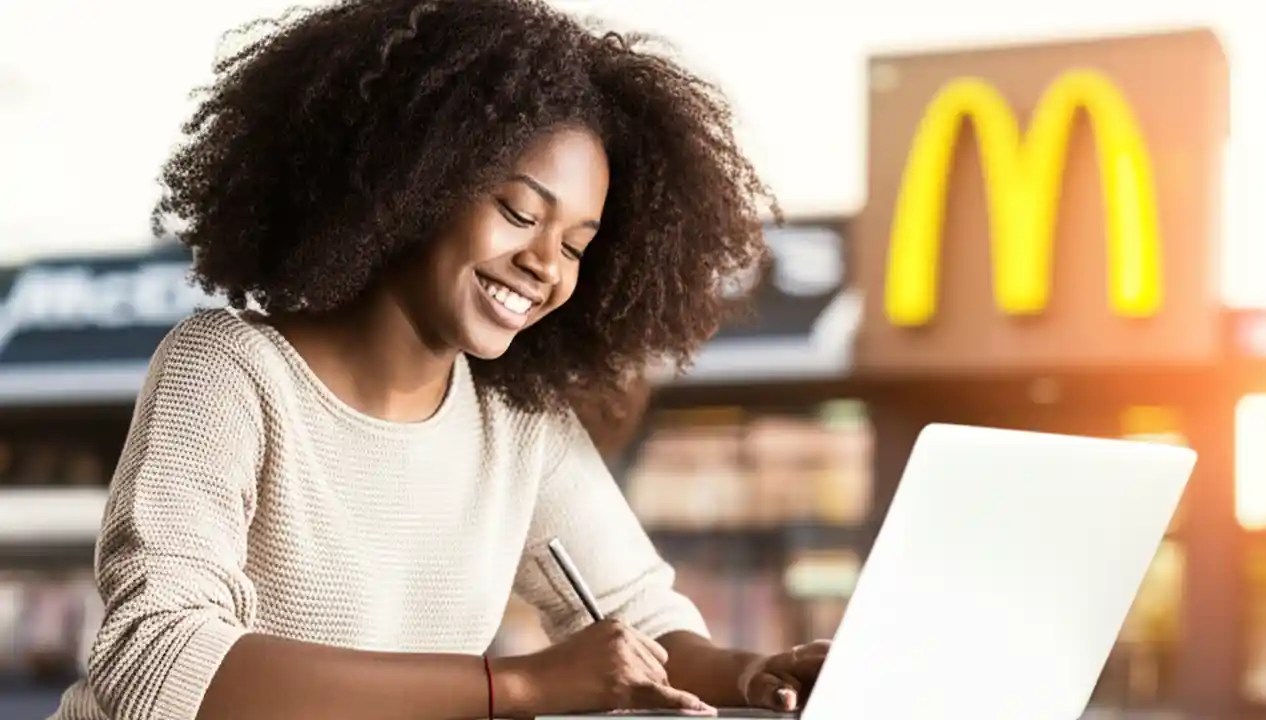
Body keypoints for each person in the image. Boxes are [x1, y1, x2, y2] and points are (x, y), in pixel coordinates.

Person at [53, 1, 830, 718]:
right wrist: (517, 684)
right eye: (520, 212)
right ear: (414, 180)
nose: (545, 265)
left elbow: (637, 622)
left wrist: (754, 670)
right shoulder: (230, 372)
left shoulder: (519, 428)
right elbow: (155, 661)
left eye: (576, 246)